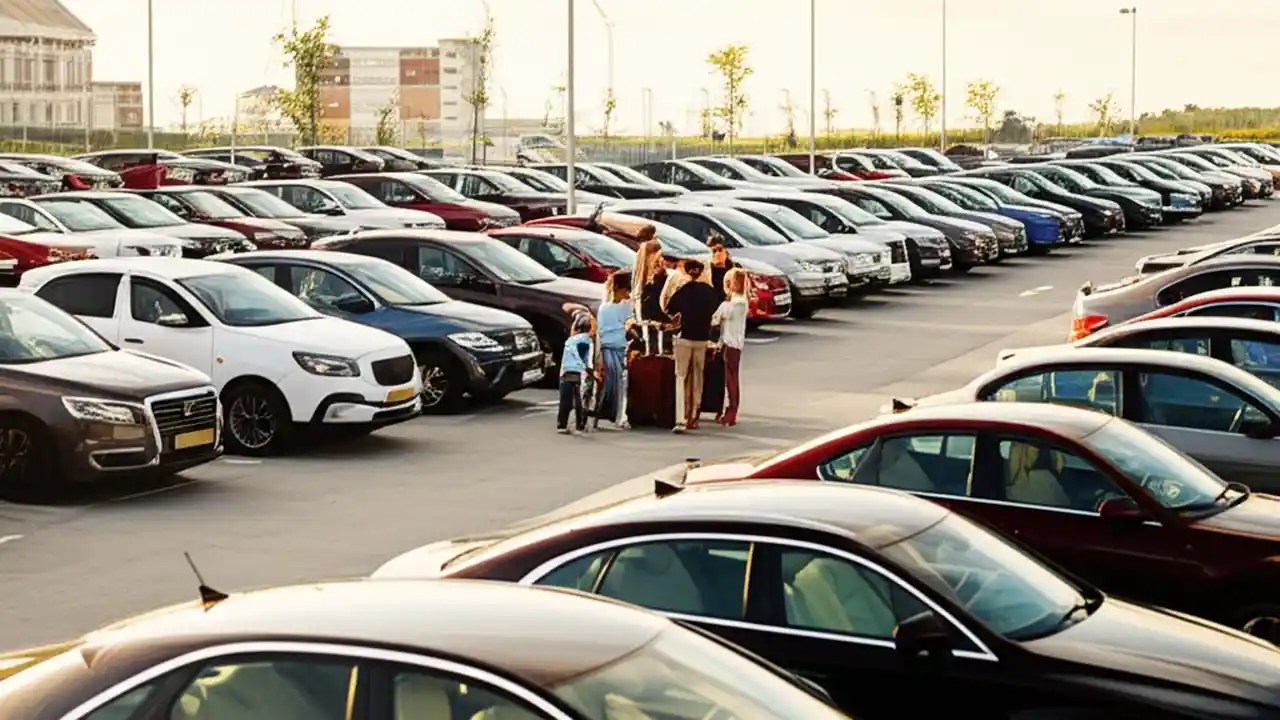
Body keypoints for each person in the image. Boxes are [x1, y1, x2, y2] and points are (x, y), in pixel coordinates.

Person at [664, 258, 721, 432]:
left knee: (681, 376)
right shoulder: (709, 292)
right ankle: (694, 414)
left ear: (687, 272)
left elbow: (670, 308)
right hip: (702, 338)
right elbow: (716, 309)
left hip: (685, 337)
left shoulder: (683, 290)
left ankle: (681, 416)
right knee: (698, 377)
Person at [596, 270, 634, 429]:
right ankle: (616, 414)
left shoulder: (604, 307)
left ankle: (611, 412)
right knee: (618, 381)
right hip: (614, 346)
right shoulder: (624, 307)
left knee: (615, 380)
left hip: (611, 346)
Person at [712, 267, 749, 426]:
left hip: (732, 343)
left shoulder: (737, 302)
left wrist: (722, 308)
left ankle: (732, 410)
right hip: (730, 342)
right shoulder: (736, 302)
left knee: (731, 378)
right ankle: (730, 409)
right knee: (730, 378)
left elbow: (717, 318)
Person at [556, 314, 594, 434]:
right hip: (580, 373)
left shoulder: (570, 340)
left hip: (566, 372)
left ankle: (561, 425)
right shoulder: (587, 341)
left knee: (565, 400)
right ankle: (580, 425)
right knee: (580, 400)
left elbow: (567, 358)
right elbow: (587, 358)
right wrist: (588, 370)